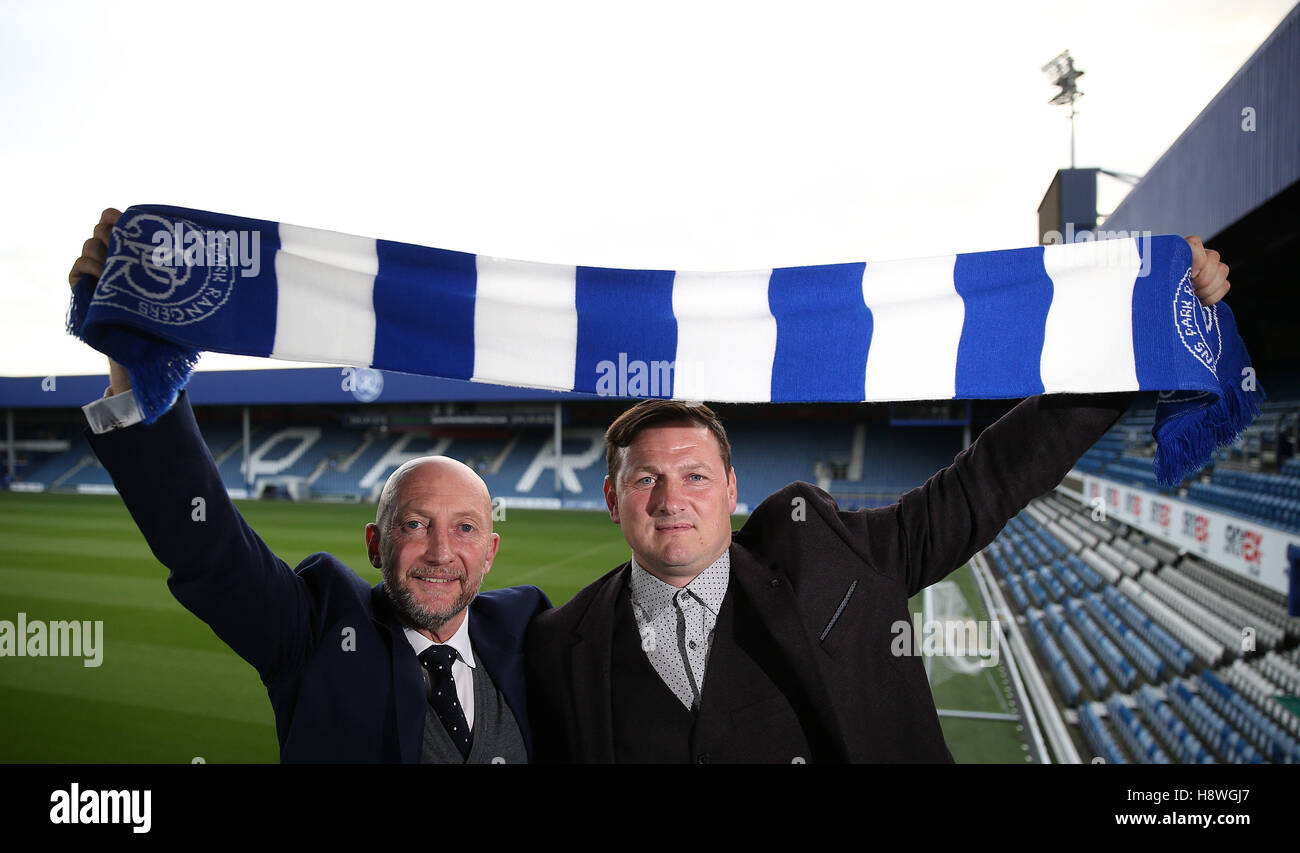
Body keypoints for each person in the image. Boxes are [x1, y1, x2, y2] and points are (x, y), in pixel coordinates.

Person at [524, 237, 1232, 763]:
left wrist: (1134, 338)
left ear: (733, 488)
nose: (673, 499)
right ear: (613, 496)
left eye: (696, 476)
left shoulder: (829, 560)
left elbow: (986, 480)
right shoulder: (561, 643)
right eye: (647, 479)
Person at [68, 208, 551, 763]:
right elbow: (209, 551)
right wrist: (139, 362)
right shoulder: (315, 631)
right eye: (414, 525)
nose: (441, 552)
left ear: (490, 552)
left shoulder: (529, 631)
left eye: (464, 528)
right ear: (375, 544)